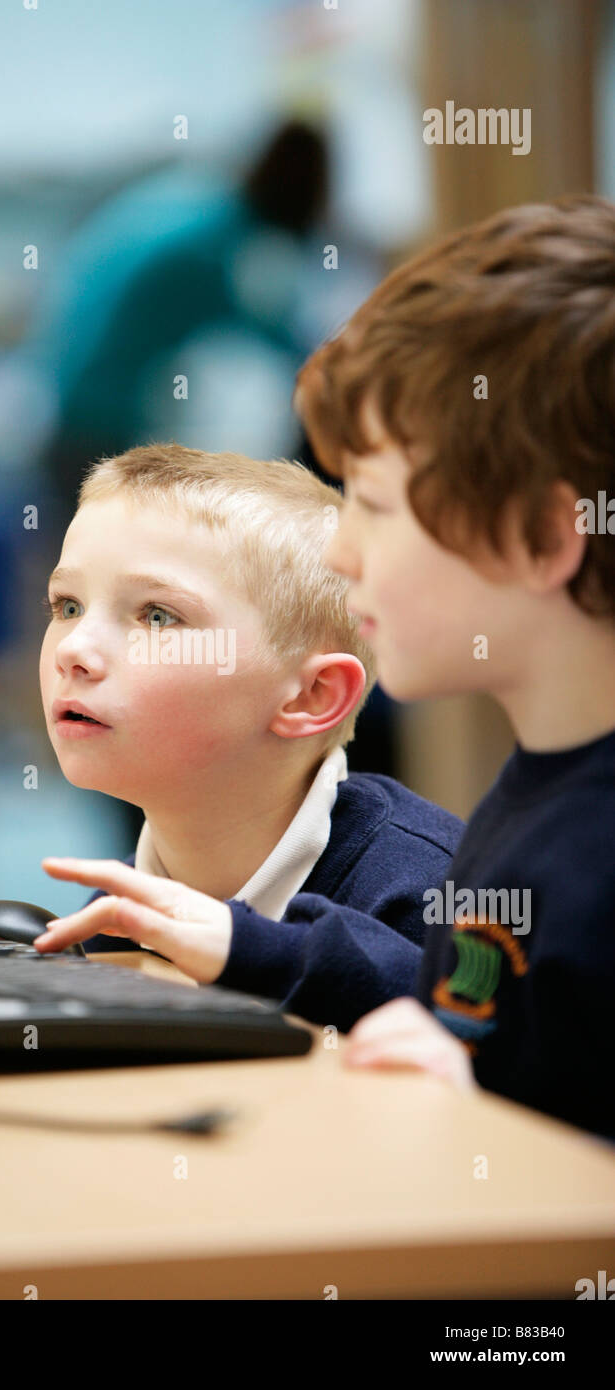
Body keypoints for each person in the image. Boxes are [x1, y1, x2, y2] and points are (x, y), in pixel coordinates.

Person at [292, 193, 615, 1139]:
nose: (340, 551)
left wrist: (492, 1125)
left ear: (543, 538)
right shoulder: (536, 788)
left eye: (375, 504)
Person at [37, 443, 462, 1031]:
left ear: (311, 696)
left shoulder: (427, 885)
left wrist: (248, 950)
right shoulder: (115, 916)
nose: (74, 650)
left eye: (157, 615)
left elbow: (497, 1044)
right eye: (68, 605)